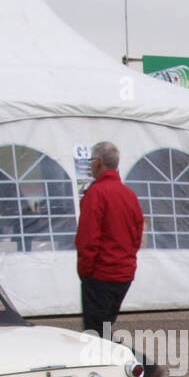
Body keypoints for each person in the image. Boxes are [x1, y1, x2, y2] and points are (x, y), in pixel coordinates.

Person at [76, 141, 145, 363]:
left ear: (97, 163)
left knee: (96, 334)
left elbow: (88, 238)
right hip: (123, 273)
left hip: (100, 274)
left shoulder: (96, 193)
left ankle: (143, 366)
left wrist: (85, 270)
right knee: (103, 329)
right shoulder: (129, 195)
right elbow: (136, 234)